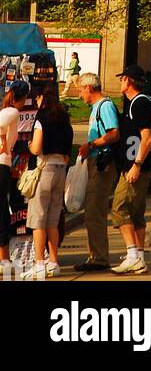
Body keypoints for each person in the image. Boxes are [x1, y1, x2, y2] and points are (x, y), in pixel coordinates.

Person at [22, 84, 74, 280]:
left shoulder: (41, 117)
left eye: (37, 99)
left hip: (44, 169)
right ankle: (53, 262)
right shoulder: (64, 119)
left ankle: (39, 264)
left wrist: (29, 145)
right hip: (61, 168)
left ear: (41, 98)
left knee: (38, 220)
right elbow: (68, 151)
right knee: (53, 219)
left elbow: (36, 148)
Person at [110, 64, 151, 276]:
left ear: (128, 80)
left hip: (134, 166)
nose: (120, 82)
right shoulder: (136, 103)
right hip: (137, 165)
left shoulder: (139, 104)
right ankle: (139, 256)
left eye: (122, 79)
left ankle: (132, 256)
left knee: (120, 207)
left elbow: (147, 137)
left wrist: (137, 165)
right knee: (136, 213)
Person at [74, 72, 121, 273]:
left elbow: (114, 133)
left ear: (89, 88)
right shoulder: (97, 108)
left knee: (94, 210)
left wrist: (91, 144)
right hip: (95, 160)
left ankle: (99, 258)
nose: (79, 95)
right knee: (93, 210)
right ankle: (96, 255)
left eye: (80, 90)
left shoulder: (105, 106)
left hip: (103, 163)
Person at [0, 81, 31, 281]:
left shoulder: (7, 110)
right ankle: (3, 259)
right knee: (2, 209)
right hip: (2, 163)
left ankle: (3, 258)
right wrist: (2, 138)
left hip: (4, 162)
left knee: (2, 209)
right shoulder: (12, 111)